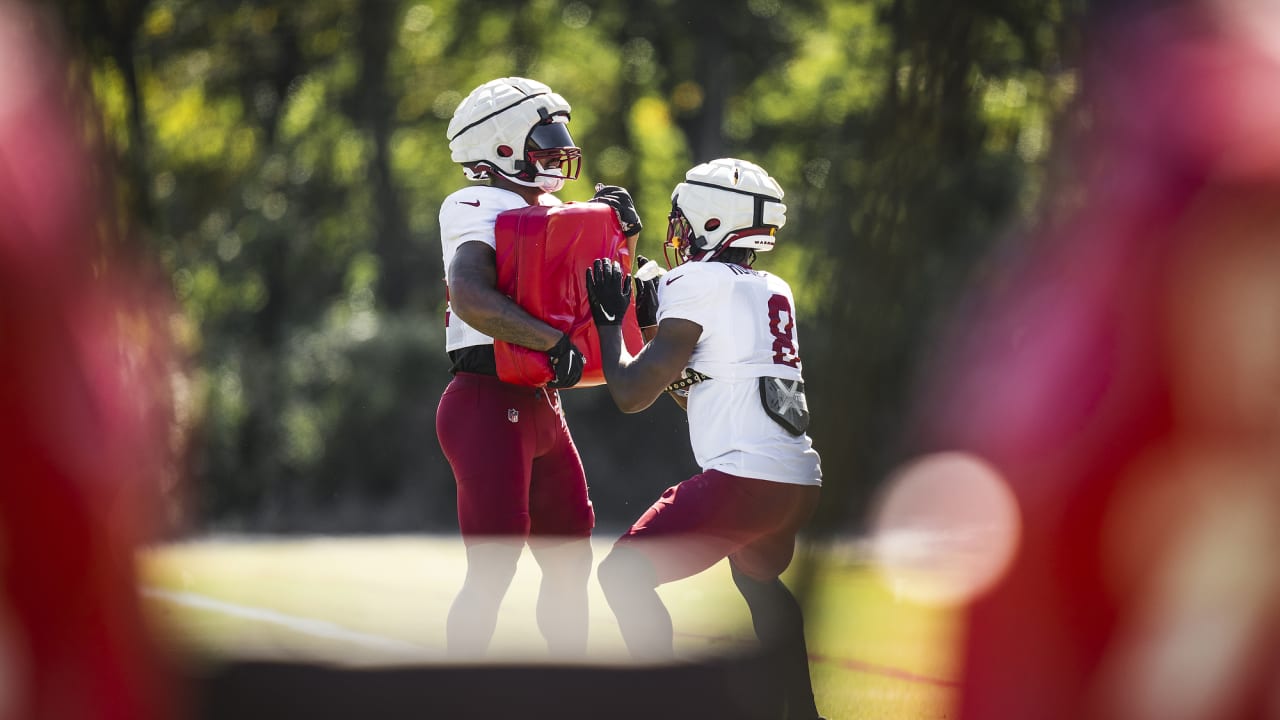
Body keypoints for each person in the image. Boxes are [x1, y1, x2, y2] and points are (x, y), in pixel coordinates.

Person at [584, 158, 826, 720]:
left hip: (744, 479)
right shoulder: (769, 285)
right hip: (795, 481)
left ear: (712, 221)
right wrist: (642, 296)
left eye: (686, 221)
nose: (679, 234)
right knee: (760, 583)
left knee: (622, 574)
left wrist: (606, 321)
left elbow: (630, 393)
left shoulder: (696, 282)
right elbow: (694, 387)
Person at [435, 76, 641, 658]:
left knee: (571, 558)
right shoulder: (476, 203)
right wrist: (550, 341)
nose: (558, 151)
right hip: (485, 398)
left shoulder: (547, 211)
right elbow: (471, 294)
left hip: (539, 403)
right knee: (493, 572)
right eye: (544, 139)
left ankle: (567, 693)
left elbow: (598, 299)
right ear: (501, 146)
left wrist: (622, 242)